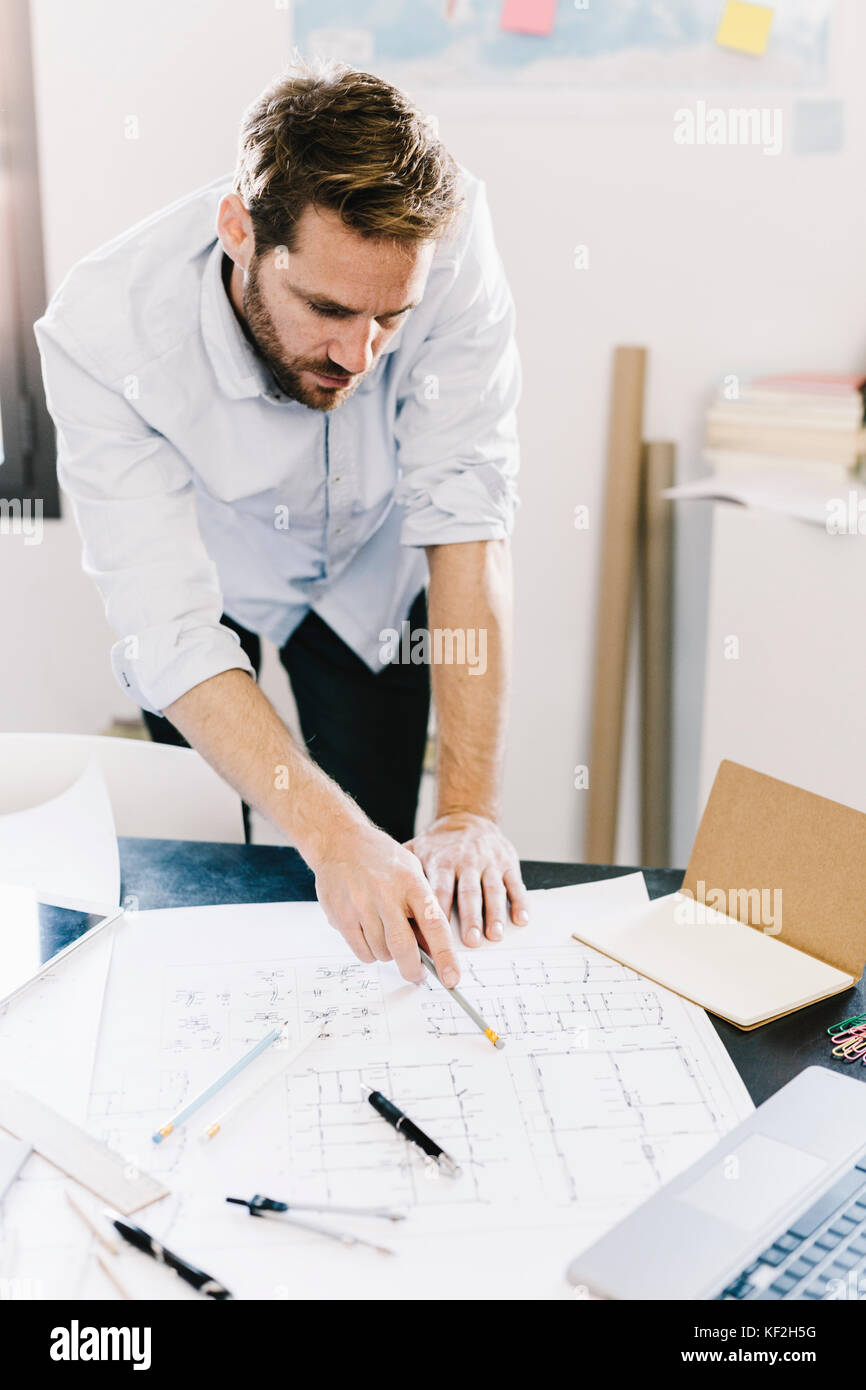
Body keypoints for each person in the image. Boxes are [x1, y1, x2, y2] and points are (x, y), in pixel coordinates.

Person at [35, 60, 528, 988]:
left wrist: (467, 813)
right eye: (328, 309)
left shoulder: (453, 239)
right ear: (240, 230)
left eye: (392, 318)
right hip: (213, 586)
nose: (360, 355)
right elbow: (169, 629)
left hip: (374, 576)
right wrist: (327, 832)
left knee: (375, 843)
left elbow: (467, 515)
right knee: (221, 853)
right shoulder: (104, 336)